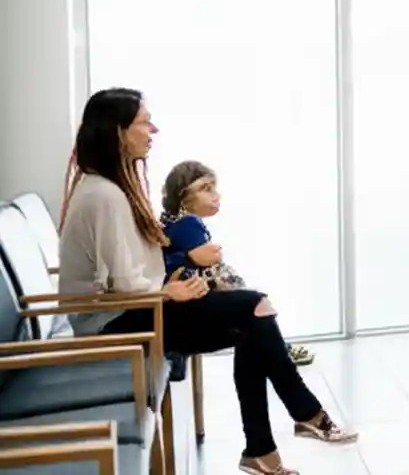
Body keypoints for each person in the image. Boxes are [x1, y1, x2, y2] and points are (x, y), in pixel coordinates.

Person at [58, 88, 356, 475]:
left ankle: (267, 447)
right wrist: (168, 291)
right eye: (145, 122)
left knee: (252, 321)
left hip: (131, 308)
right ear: (118, 132)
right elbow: (124, 283)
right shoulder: (104, 196)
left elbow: (130, 270)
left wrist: (173, 281)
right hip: (111, 325)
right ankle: (301, 417)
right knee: (254, 307)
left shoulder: (109, 187)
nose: (154, 130)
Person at [159, 160, 315, 367]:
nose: (216, 195)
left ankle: (276, 349)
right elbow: (207, 259)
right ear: (183, 196)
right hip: (190, 296)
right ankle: (278, 350)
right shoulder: (188, 223)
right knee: (253, 306)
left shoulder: (173, 222)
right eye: (206, 189)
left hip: (184, 294)